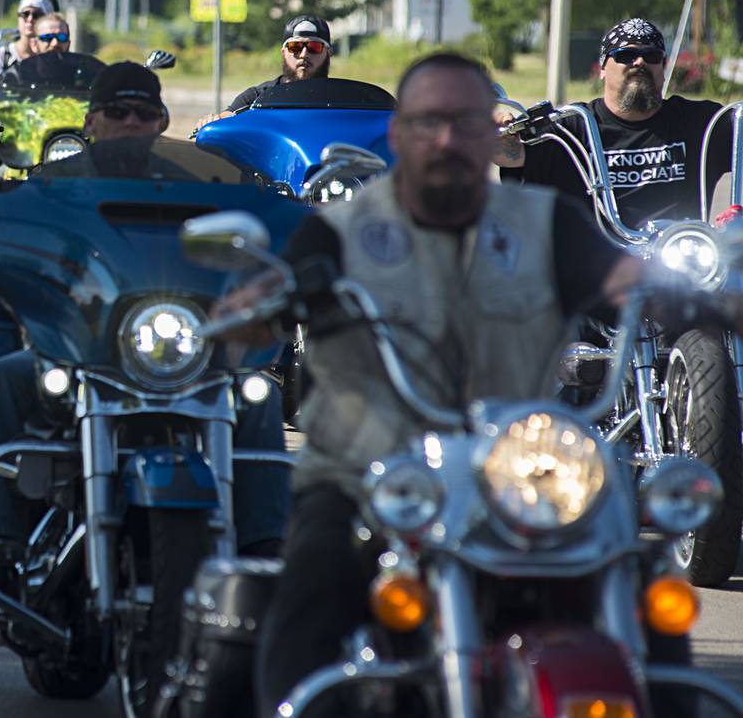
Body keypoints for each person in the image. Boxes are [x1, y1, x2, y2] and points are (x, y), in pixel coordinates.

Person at [244, 52, 697, 716]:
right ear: (398, 135)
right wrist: (245, 311)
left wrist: (696, 295)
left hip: (518, 478)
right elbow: (262, 305)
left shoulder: (547, 225)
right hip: (370, 480)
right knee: (311, 595)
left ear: (494, 134)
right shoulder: (338, 233)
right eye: (429, 122)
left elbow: (628, 281)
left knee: (643, 583)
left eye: (466, 121)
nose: (448, 139)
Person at [0, 62, 288, 604]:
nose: (130, 122)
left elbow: (256, 227)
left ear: (161, 121)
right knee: (9, 376)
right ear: (93, 120)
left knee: (259, 394)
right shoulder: (54, 185)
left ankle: (268, 548)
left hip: (180, 349)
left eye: (143, 113)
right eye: (117, 111)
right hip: (83, 353)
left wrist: (295, 239)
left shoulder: (201, 186)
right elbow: (9, 227)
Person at [497, 18, 729, 229]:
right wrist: (491, 130)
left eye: (652, 56)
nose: (639, 62)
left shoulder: (700, 122)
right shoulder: (573, 127)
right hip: (598, 266)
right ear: (602, 68)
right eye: (625, 55)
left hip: (683, 261)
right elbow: (511, 155)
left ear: (663, 68)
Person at [199, 16, 334, 130]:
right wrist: (212, 123)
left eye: (314, 47)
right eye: (295, 47)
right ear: (283, 53)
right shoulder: (256, 98)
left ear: (328, 53)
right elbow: (227, 120)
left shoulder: (343, 97)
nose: (304, 54)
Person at [0, 0, 57, 80]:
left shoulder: (53, 57)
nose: (30, 19)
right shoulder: (0, 57)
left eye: (37, 15)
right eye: (25, 14)